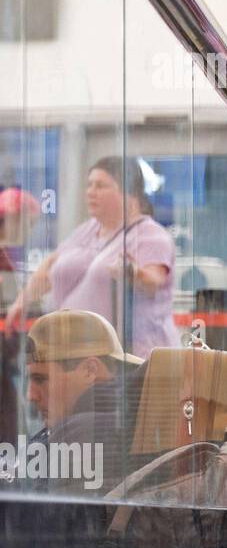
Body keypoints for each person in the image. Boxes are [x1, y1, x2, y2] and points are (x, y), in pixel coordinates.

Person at [4, 156, 181, 358]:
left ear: (129, 193)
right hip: (77, 356)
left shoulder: (151, 235)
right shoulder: (87, 230)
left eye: (100, 185)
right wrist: (21, 302)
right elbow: (51, 266)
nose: (90, 192)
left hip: (132, 358)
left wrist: (133, 272)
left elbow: (154, 281)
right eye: (89, 185)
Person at [6, 309, 141, 495]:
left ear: (89, 371)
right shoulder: (121, 424)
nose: (31, 395)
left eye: (41, 379)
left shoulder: (83, 433)